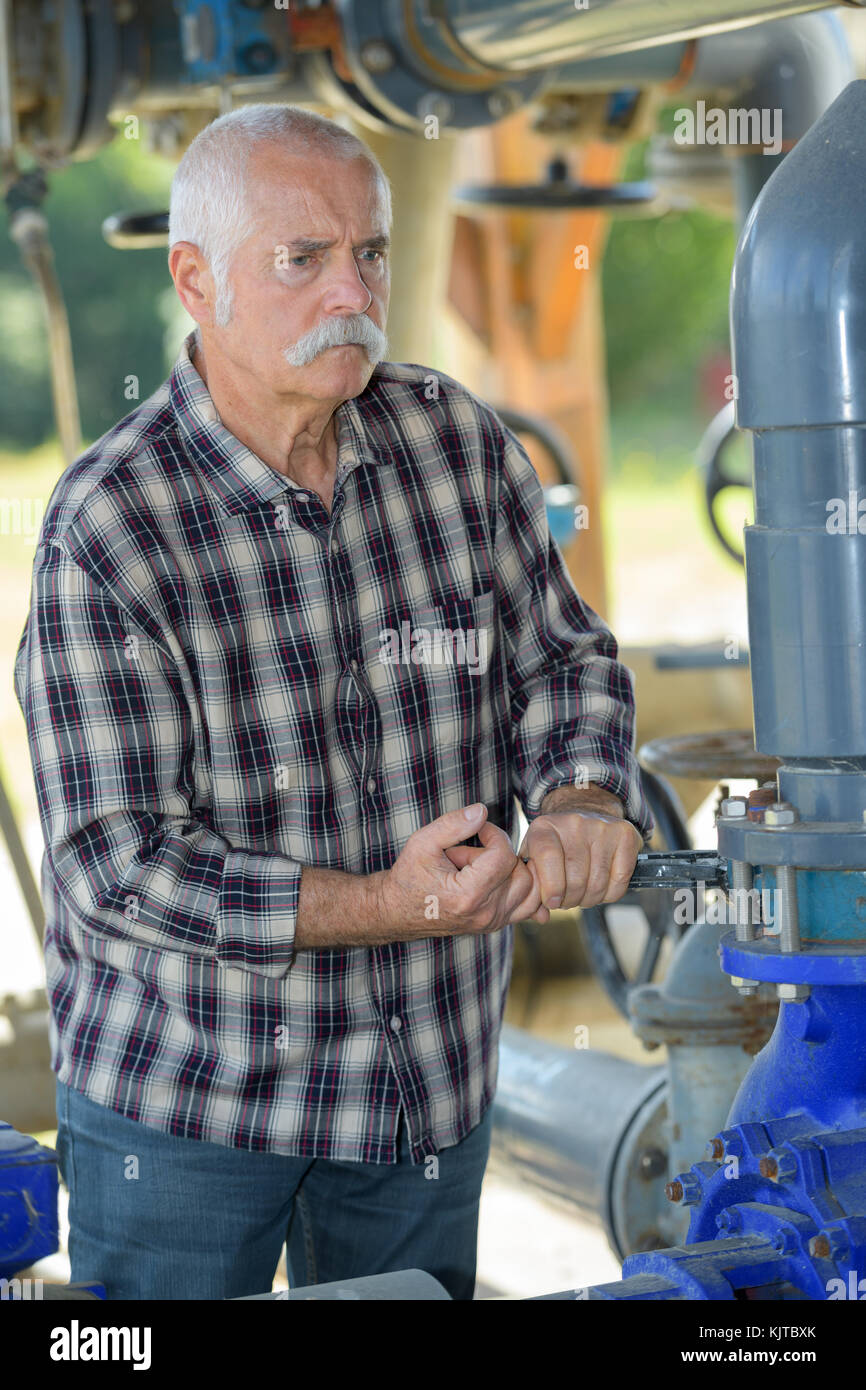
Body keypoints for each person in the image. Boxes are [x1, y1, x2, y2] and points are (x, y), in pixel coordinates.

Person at [13, 103, 653, 1300]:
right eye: (299, 260)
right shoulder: (112, 525)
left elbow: (562, 662)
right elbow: (116, 864)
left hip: (424, 1084)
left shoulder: (454, 443)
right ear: (195, 280)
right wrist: (385, 902)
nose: (348, 291)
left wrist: (576, 796)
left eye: (368, 252)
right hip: (188, 1107)